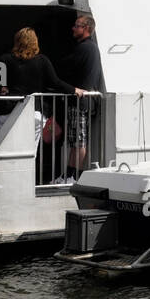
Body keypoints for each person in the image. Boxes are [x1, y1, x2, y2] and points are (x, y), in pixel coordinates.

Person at [0, 27, 83, 135]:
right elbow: (55, 82)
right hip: (33, 110)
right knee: (30, 150)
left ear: (17, 41)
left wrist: (1, 86)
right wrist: (74, 89)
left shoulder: (5, 59)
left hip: (7, 110)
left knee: (6, 149)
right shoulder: (42, 60)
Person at [56, 13, 104, 180]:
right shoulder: (90, 47)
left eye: (77, 25)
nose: (73, 28)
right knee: (75, 141)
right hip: (82, 102)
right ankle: (68, 175)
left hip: (81, 102)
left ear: (87, 28)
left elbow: (66, 68)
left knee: (79, 142)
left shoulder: (85, 48)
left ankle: (74, 176)